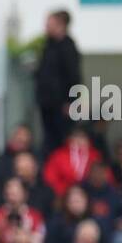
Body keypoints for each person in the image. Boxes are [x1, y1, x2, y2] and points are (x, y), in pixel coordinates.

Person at [34, 9, 81, 152]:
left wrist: (70, 102)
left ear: (61, 25)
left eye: (50, 24)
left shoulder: (68, 47)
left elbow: (74, 77)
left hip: (61, 105)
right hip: (47, 102)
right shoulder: (48, 46)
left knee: (60, 139)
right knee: (49, 138)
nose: (46, 27)